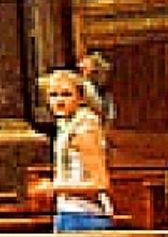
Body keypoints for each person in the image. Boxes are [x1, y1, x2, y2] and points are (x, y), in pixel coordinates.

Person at [33, 68, 113, 231]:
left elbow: (100, 183)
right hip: (68, 211)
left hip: (86, 215)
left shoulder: (84, 129)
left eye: (66, 94)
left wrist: (54, 187)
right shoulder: (67, 126)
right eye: (53, 95)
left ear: (80, 98)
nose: (59, 101)